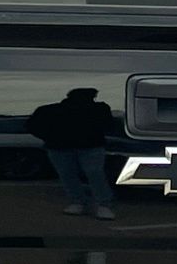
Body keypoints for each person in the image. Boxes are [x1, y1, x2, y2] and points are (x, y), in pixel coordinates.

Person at [27, 88, 116, 219]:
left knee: (72, 175)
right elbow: (108, 125)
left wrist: (49, 137)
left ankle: (81, 202)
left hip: (65, 146)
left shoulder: (49, 110)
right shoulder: (99, 109)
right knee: (92, 174)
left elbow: (32, 125)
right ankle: (100, 204)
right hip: (85, 146)